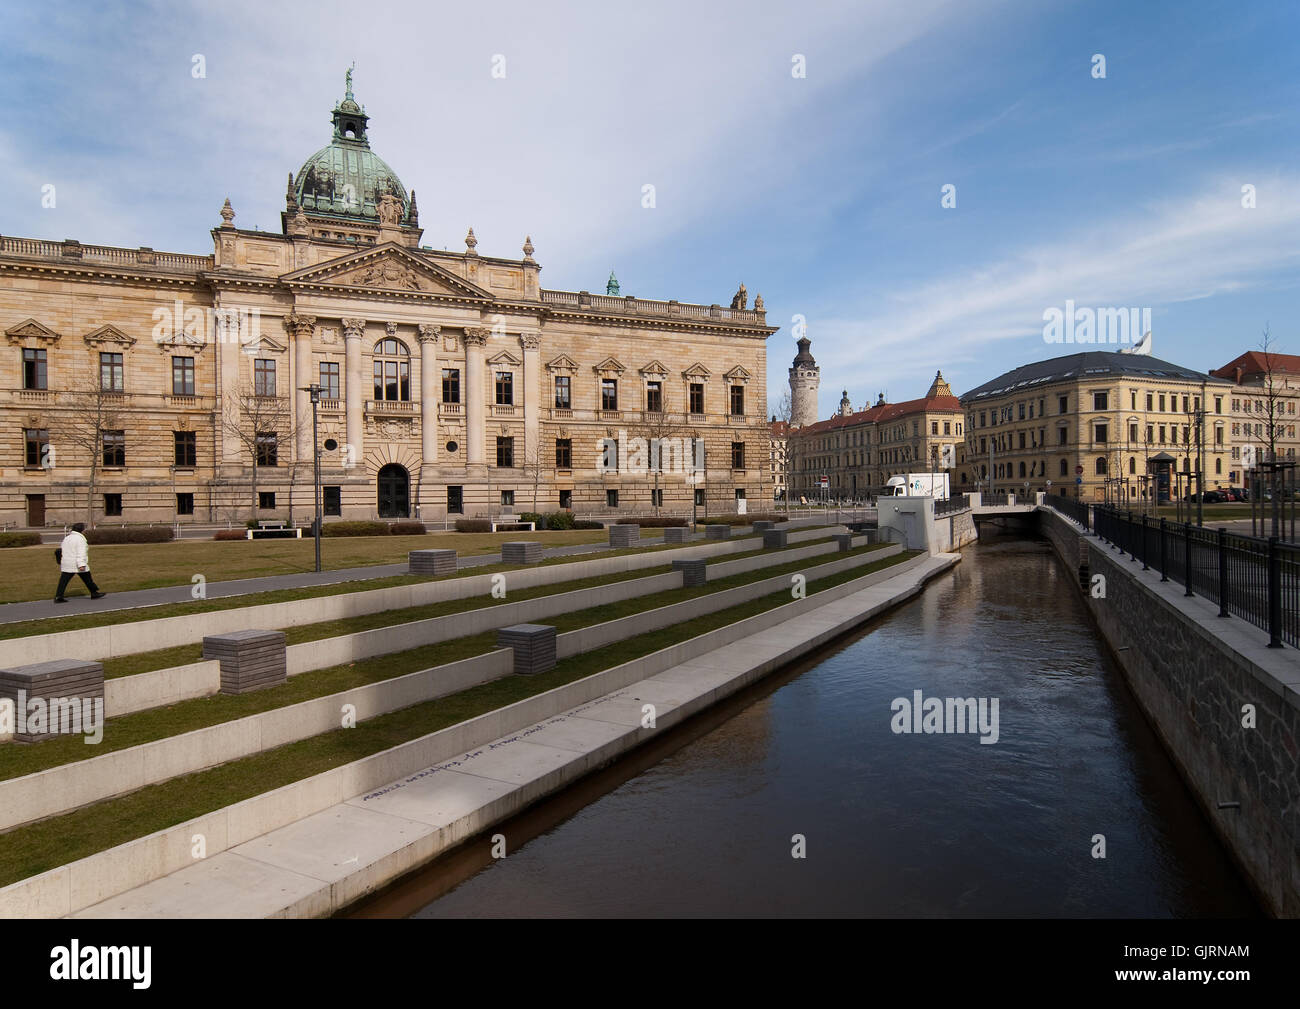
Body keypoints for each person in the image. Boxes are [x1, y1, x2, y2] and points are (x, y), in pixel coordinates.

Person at [54, 523, 107, 603]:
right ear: (81, 530)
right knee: (88, 579)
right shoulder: (80, 539)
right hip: (76, 564)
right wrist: (81, 564)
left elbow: (62, 550)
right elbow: (81, 553)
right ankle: (94, 593)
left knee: (63, 581)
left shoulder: (67, 538)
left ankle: (59, 596)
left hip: (67, 563)